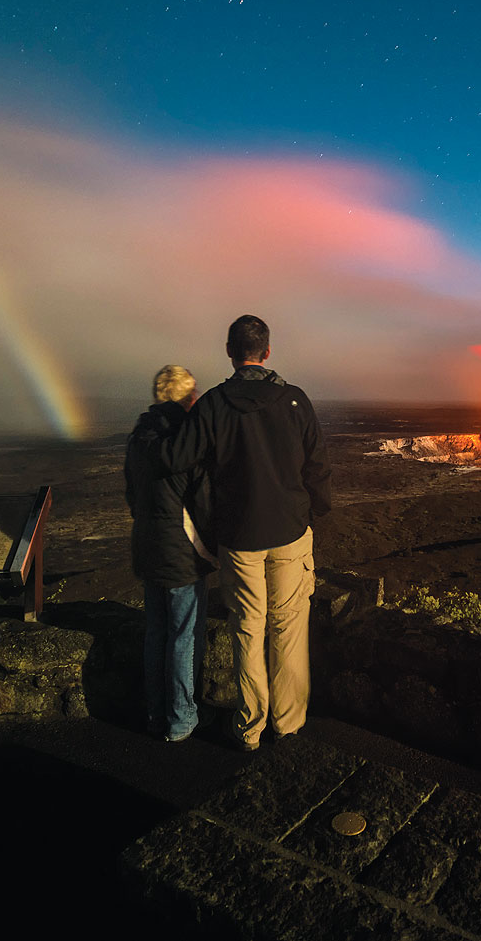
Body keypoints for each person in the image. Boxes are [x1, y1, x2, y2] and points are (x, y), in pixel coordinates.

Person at [156, 315, 331, 750]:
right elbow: (318, 466)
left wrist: (155, 428)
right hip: (290, 532)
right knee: (289, 628)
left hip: (238, 538)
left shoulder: (213, 405)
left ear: (230, 352)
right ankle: (288, 725)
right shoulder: (295, 401)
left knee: (247, 630)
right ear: (267, 352)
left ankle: (249, 727)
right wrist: (314, 511)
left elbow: (177, 457)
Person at [124, 364, 217, 743]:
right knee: (183, 635)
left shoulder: (138, 436)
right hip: (182, 553)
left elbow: (132, 494)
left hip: (147, 547)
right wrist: (214, 549)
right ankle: (181, 718)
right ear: (188, 397)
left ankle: (154, 713)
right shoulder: (184, 440)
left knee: (156, 632)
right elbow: (202, 502)